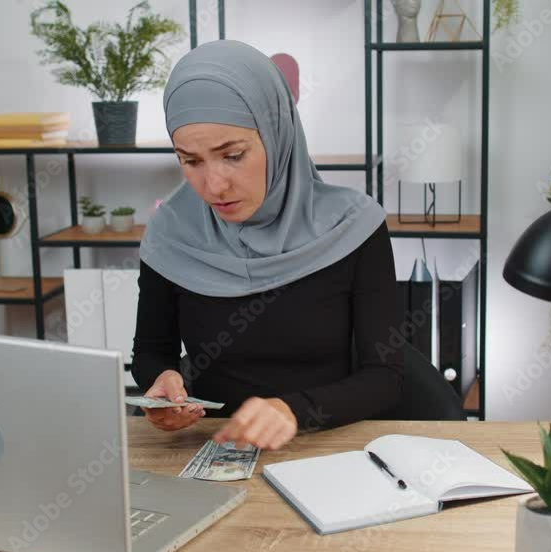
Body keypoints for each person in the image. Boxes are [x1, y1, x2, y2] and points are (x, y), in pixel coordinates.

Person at [132, 40, 403, 451]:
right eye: (191, 161)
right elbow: (152, 351)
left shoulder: (354, 227)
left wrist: (293, 410)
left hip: (327, 446)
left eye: (233, 155)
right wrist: (162, 381)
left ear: (278, 135)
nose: (214, 185)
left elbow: (387, 377)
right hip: (212, 447)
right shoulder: (172, 231)